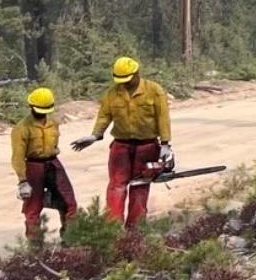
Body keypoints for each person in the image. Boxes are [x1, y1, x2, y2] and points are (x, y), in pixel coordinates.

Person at [70, 56, 172, 230]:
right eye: (121, 80)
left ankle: (135, 230)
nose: (124, 83)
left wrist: (165, 144)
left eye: (128, 79)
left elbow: (163, 118)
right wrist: (95, 135)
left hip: (146, 146)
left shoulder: (154, 91)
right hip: (121, 146)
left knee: (140, 186)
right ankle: (113, 229)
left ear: (137, 73)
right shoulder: (112, 93)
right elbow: (104, 116)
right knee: (116, 186)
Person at [13, 87, 76, 247]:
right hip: (33, 166)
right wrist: (22, 181)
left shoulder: (53, 124)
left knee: (69, 203)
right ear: (31, 106)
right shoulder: (21, 128)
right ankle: (35, 246)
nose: (42, 114)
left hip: (53, 163)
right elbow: (18, 156)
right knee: (32, 208)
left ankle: (70, 242)